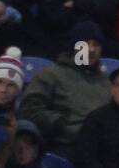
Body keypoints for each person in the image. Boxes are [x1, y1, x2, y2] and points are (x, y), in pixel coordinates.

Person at [18, 23, 110, 156]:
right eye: (85, 44)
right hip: (64, 146)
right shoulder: (51, 75)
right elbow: (29, 109)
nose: (91, 49)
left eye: (96, 44)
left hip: (101, 148)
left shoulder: (107, 82)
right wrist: (59, 124)